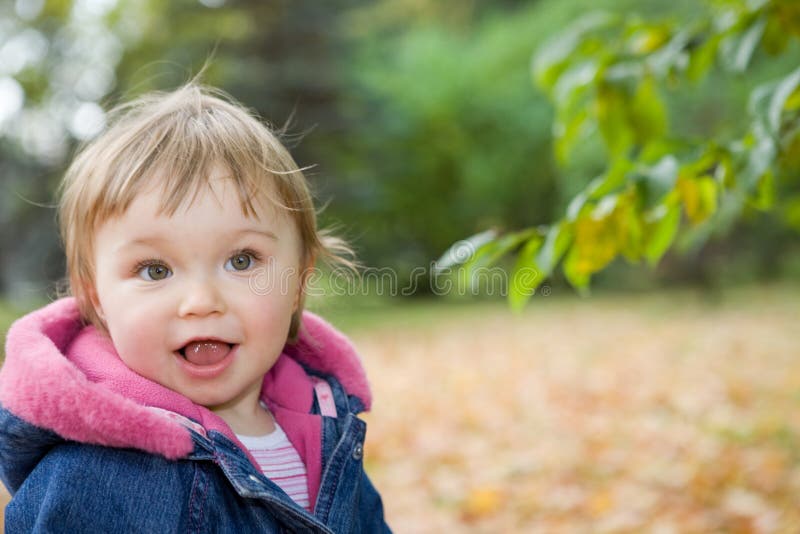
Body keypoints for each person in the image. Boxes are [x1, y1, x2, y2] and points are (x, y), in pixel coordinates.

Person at [0, 83, 390, 533]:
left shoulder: (330, 429)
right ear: (97, 298)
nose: (201, 302)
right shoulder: (96, 479)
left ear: (299, 281)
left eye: (241, 261)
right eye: (154, 269)